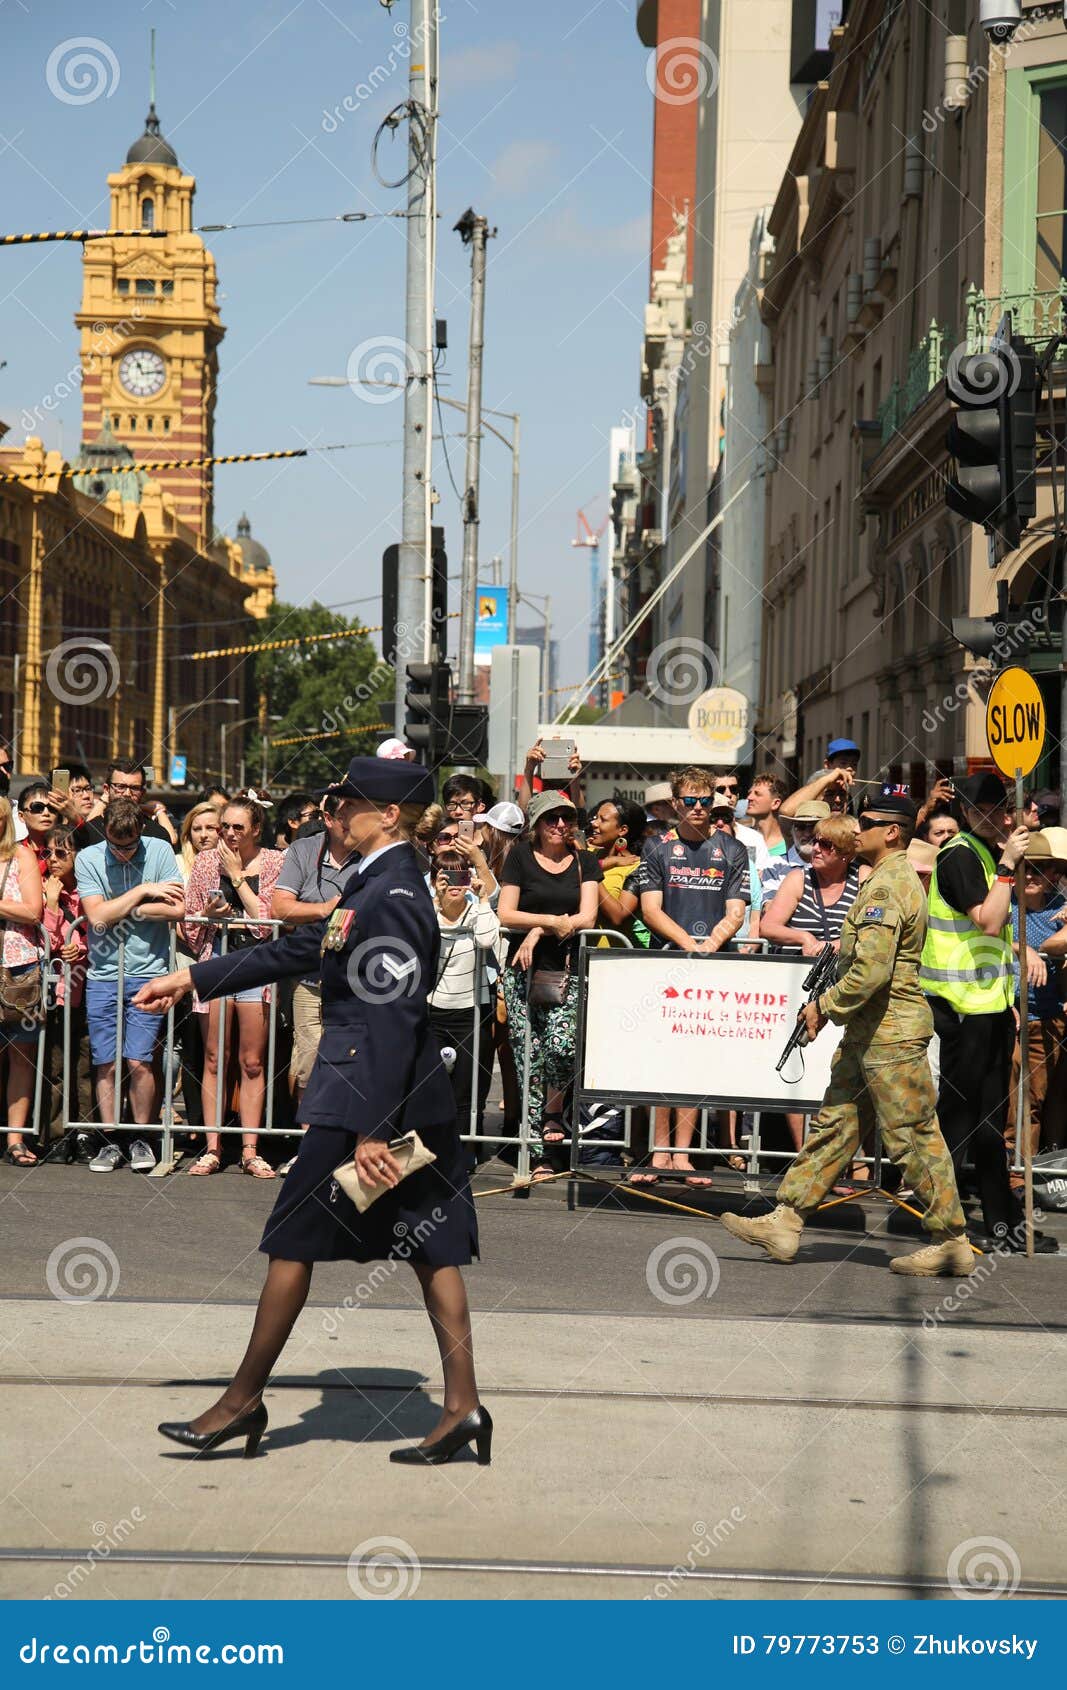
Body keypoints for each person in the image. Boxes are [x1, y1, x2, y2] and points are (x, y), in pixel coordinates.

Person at [134, 756, 489, 1468]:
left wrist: (371, 1131)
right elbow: (303, 947)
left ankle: (240, 1403)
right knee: (429, 1246)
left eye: (346, 804)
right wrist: (193, 976)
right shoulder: (374, 882)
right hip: (390, 1097)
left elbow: (391, 1017)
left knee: (294, 1238)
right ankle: (462, 1410)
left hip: (366, 1099)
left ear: (387, 814)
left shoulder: (390, 893)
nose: (332, 815)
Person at [722, 795, 976, 1277]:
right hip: (868, 1033)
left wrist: (823, 1006)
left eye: (868, 823)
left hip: (891, 1035)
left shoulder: (887, 887)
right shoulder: (878, 879)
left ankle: (951, 1240)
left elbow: (871, 973)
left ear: (893, 833)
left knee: (911, 1137)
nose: (856, 831)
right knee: (836, 1125)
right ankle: (787, 1219)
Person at [919, 770, 1057, 1253]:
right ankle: (942, 1222)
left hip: (989, 1006)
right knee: (958, 1119)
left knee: (988, 1121)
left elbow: (997, 933)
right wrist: (1007, 865)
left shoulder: (984, 851)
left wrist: (1016, 969)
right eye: (973, 810)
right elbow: (990, 918)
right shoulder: (959, 855)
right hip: (958, 1009)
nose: (981, 816)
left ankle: (1000, 1224)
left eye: (990, 809)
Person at [633, 767, 749, 1187]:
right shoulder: (657, 848)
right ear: (677, 804)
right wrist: (688, 944)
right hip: (668, 962)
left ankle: (684, 1154)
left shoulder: (733, 849)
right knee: (662, 1059)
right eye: (691, 801)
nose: (699, 809)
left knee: (695, 1063)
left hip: (714, 964)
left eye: (706, 802)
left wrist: (711, 945)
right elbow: (650, 910)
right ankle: (658, 1152)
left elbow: (736, 911)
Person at [74, 798, 185, 1173]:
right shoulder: (88, 857)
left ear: (142, 831)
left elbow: (177, 909)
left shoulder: (160, 849)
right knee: (105, 1062)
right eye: (116, 846)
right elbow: (97, 917)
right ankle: (110, 1138)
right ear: (105, 830)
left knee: (139, 1060)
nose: (123, 853)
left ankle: (141, 1136)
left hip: (149, 970)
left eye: (130, 845)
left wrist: (125, 908)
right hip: (103, 973)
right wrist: (143, 892)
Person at [497, 790, 602, 1181]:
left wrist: (541, 927)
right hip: (522, 970)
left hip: (568, 970)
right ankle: (538, 1153)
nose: (560, 825)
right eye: (551, 819)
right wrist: (547, 923)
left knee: (562, 1047)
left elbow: (588, 915)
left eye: (567, 818)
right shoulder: (520, 857)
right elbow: (505, 911)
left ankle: (554, 1114)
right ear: (536, 825)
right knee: (529, 1059)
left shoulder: (584, 860)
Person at [181, 796, 285, 1178]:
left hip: (257, 968)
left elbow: (265, 924)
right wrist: (208, 915)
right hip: (217, 966)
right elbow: (190, 927)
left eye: (238, 827)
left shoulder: (275, 861)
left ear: (256, 829)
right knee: (214, 1058)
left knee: (252, 1061)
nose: (228, 834)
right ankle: (212, 1147)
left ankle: (250, 1149)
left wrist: (238, 878)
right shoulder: (206, 862)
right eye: (225, 826)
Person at [760, 813, 865, 1159]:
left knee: (845, 1074)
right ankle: (808, 1157)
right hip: (801, 990)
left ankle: (854, 1164)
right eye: (815, 840)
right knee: (800, 1066)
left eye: (826, 844)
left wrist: (841, 943)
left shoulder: (864, 879)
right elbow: (768, 926)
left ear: (847, 853)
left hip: (848, 991)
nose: (816, 848)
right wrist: (803, 936)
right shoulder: (798, 878)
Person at [270, 791, 359, 1173]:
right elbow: (280, 907)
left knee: (349, 1062)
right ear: (328, 818)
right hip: (308, 979)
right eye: (345, 815)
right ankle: (310, 1146)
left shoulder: (370, 853)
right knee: (307, 1061)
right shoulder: (303, 850)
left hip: (356, 980)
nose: (352, 822)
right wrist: (326, 909)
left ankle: (343, 1145)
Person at [429, 848, 500, 1152]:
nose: (455, 883)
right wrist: (435, 901)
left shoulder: (478, 911)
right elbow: (419, 939)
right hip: (433, 1010)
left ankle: (466, 1149)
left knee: (468, 1087)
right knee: (431, 1086)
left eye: (462, 875)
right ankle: (433, 1150)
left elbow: (486, 940)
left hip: (472, 1010)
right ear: (435, 881)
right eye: (447, 876)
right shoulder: (427, 912)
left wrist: (482, 899)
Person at [1007, 831, 1067, 1178]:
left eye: (1040, 869)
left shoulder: (1060, 910)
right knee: (1013, 1101)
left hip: (1048, 1018)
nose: (1030, 875)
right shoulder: (1004, 908)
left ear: (1054, 876)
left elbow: (1056, 945)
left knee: (1041, 1100)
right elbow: (987, 935)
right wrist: (1023, 948)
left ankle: (1034, 1175)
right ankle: (1014, 1174)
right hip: (1007, 1014)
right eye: (1024, 867)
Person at [40, 827, 91, 1153]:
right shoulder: (46, 891)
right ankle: (57, 1135)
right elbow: (49, 939)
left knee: (85, 1065)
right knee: (55, 1066)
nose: (54, 860)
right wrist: (53, 903)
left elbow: (97, 932)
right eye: (48, 853)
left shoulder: (88, 891)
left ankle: (86, 1133)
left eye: (62, 853)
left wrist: (81, 948)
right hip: (57, 991)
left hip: (87, 988)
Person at [0, 797, 44, 1166]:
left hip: (17, 967)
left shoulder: (21, 856)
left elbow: (32, 911)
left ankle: (15, 1139)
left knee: (21, 1055)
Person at [74, 761, 177, 850]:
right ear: (106, 789)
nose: (127, 793)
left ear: (143, 792)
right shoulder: (90, 832)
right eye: (120, 787)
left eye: (134, 788)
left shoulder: (158, 835)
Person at [586, 798, 648, 941]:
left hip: (612, 957)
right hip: (577, 953)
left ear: (622, 830)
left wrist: (590, 870)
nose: (594, 824)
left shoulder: (636, 867)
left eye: (603, 820)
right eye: (595, 818)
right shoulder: (586, 854)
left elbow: (618, 916)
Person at [780, 738, 862, 820]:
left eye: (842, 794)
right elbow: (786, 811)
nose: (849, 769)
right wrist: (829, 778)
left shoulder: (853, 806)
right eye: (843, 763)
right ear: (827, 764)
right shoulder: (819, 782)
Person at [745, 773, 789, 861]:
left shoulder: (789, 845)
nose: (749, 797)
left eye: (757, 794)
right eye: (750, 793)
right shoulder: (744, 838)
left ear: (775, 803)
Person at [179, 802, 221, 877]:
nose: (203, 835)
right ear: (189, 833)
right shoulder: (177, 863)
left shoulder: (234, 863)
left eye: (210, 828)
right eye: (197, 829)